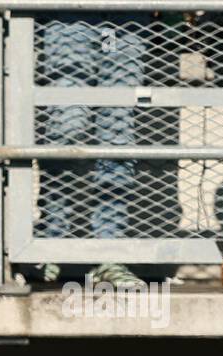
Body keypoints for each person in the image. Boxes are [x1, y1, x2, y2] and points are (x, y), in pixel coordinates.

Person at [36, 13, 150, 287]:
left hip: (127, 23)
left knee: (117, 136)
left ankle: (108, 250)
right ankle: (52, 238)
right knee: (67, 126)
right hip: (68, 19)